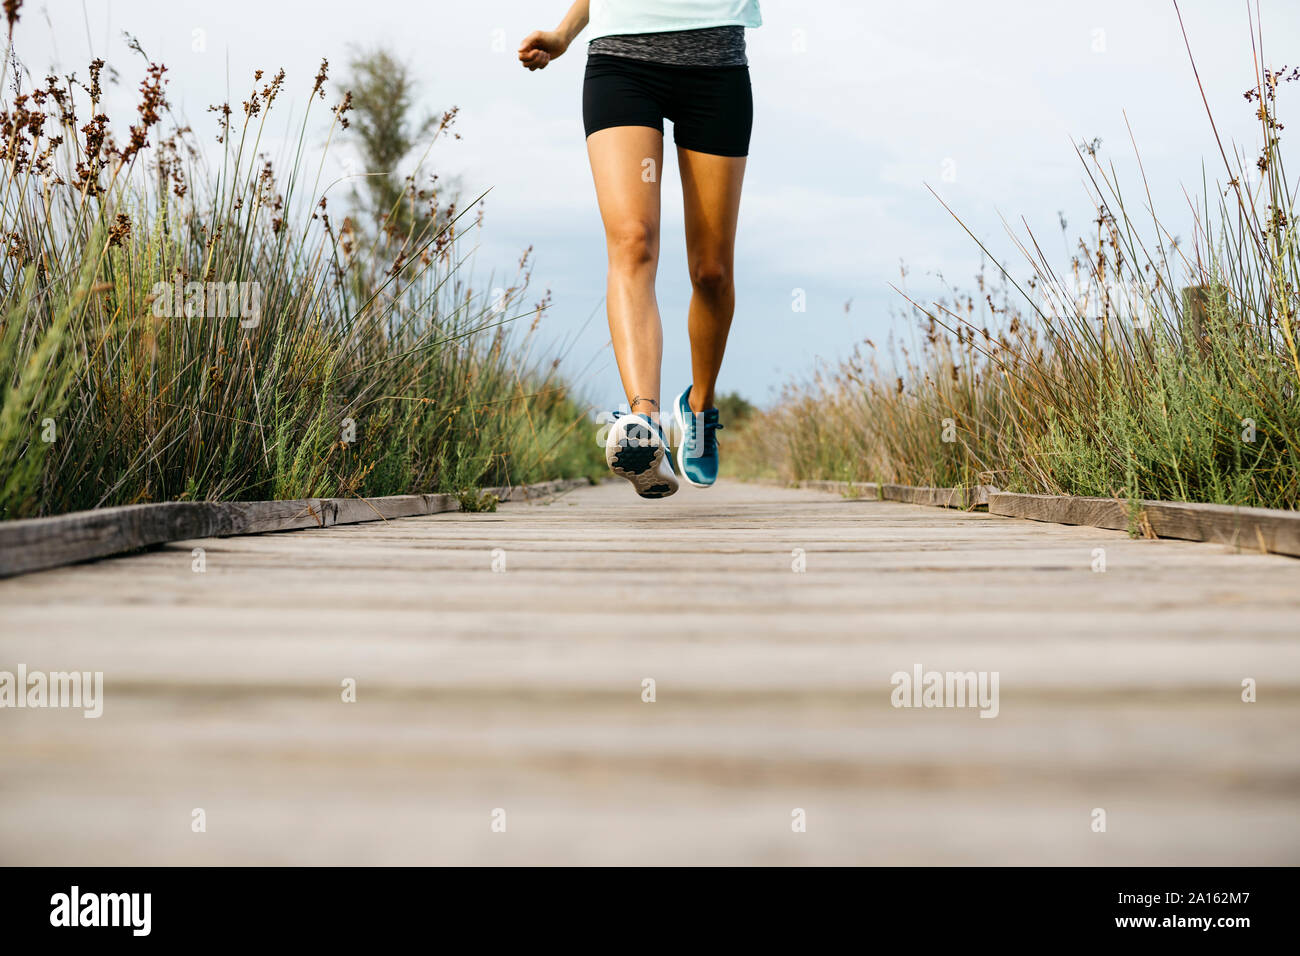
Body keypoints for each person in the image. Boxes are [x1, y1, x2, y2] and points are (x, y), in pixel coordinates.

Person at [518, 0, 760, 498]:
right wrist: (566, 32)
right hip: (620, 57)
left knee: (711, 270)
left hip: (715, 60)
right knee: (633, 240)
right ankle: (643, 424)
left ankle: (698, 408)